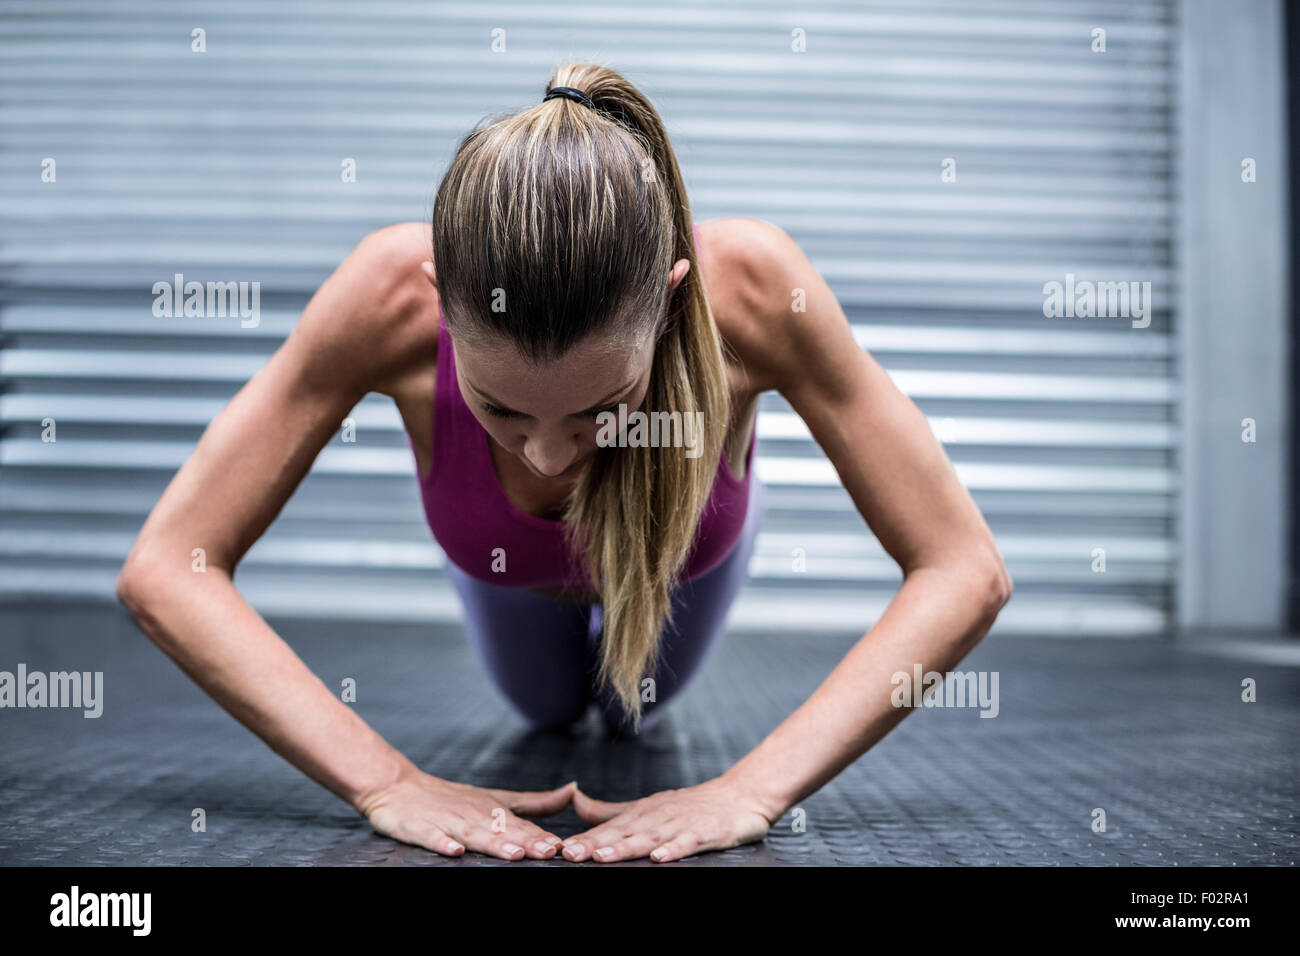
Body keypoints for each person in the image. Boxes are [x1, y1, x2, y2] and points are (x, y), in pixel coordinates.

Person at [116, 64, 1012, 864]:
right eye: (500, 409)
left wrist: (752, 790)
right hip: (504, 571)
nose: (548, 457)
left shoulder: (755, 290)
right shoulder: (383, 296)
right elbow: (166, 568)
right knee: (548, 710)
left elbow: (963, 567)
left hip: (681, 564)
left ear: (669, 301)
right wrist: (382, 782)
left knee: (634, 715)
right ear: (440, 301)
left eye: (600, 410)